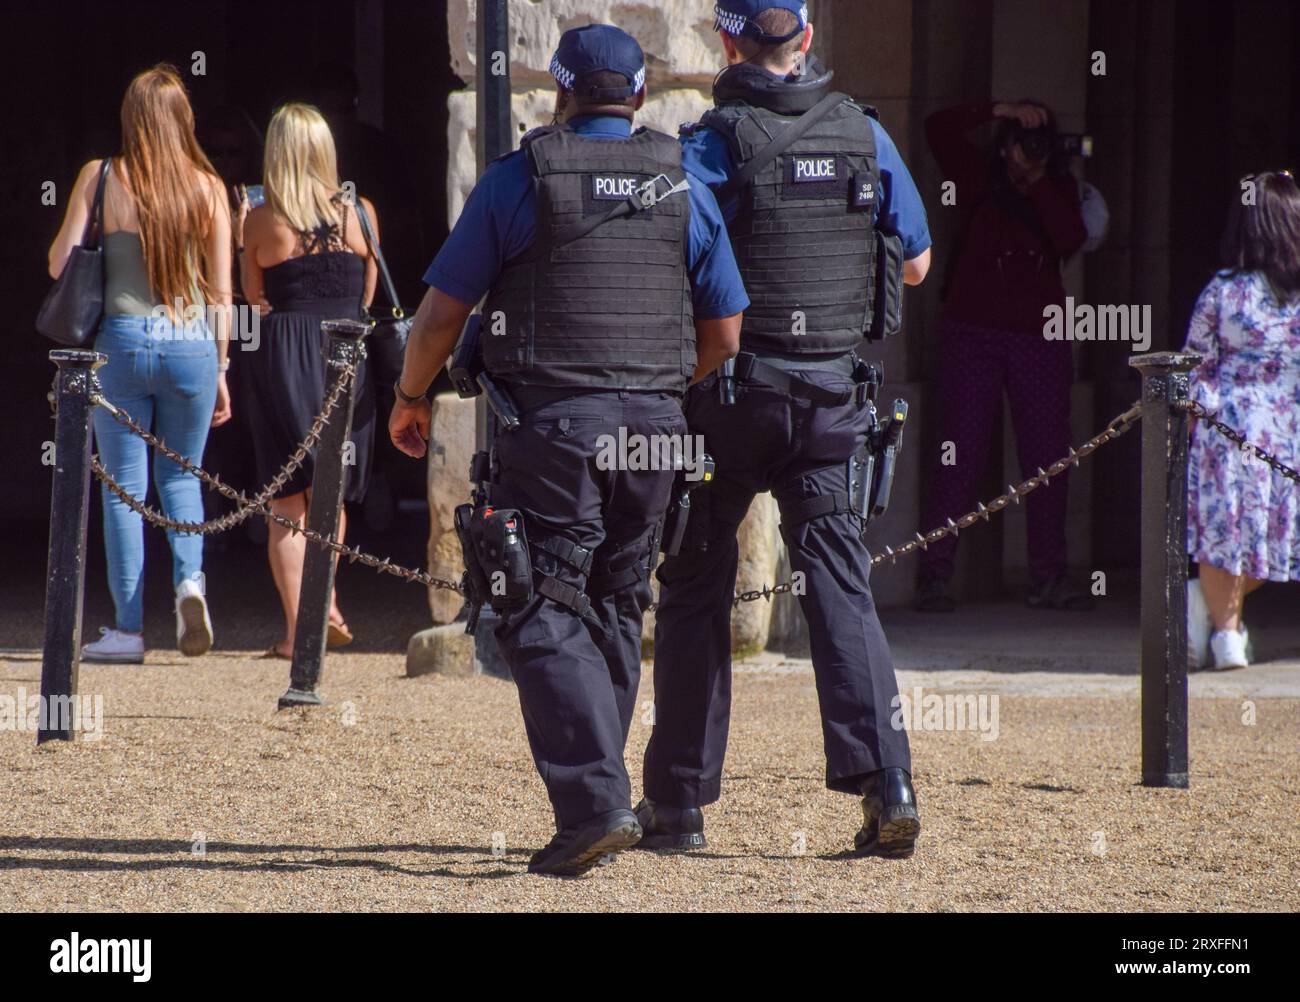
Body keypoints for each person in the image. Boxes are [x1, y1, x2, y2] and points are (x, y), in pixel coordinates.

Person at [389, 25, 747, 876]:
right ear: (637, 95)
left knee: (536, 601)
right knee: (619, 600)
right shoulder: (682, 181)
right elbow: (726, 332)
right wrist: (657, 385)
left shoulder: (522, 179)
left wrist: (409, 398)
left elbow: (440, 316)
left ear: (561, 95)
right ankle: (607, 797)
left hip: (554, 429)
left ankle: (594, 804)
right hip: (654, 432)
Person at [636, 1, 932, 859]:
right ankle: (889, 784)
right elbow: (915, 262)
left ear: (726, 41)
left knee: (694, 582)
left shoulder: (713, 140)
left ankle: (679, 807)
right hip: (832, 395)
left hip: (732, 394)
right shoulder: (864, 134)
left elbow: (672, 250)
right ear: (805, 40)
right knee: (840, 582)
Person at [47, 64, 232, 664]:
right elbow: (224, 295)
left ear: (131, 118)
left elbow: (58, 264)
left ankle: (127, 630)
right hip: (189, 345)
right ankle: (189, 584)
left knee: (124, 488)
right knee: (183, 476)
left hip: (121, 343)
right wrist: (221, 368)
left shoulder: (102, 177)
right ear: (185, 120)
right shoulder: (209, 187)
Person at [916, 98, 1090, 612]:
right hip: (972, 332)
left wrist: (1035, 179)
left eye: (1035, 141)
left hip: (1039, 337)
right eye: (1019, 140)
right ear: (1004, 143)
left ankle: (1048, 578)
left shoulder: (1058, 188)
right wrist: (998, 109)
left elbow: (1071, 238)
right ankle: (934, 576)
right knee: (959, 453)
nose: (1025, 150)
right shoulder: (977, 176)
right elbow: (938, 124)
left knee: (1047, 458)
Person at [239, 103, 379, 659]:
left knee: (285, 499)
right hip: (345, 352)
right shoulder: (360, 214)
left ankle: (302, 630)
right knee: (329, 487)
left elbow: (254, 297)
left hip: (285, 353)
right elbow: (368, 294)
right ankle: (326, 604)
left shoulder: (260, 218)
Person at [1184, 170, 1300, 671]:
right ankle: (1226, 635)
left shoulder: (1226, 290)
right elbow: (1195, 365)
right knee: (1231, 535)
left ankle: (1203, 600)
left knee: (1271, 538)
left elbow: (1194, 366)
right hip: (1234, 430)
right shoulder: (1224, 290)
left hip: (1275, 430)